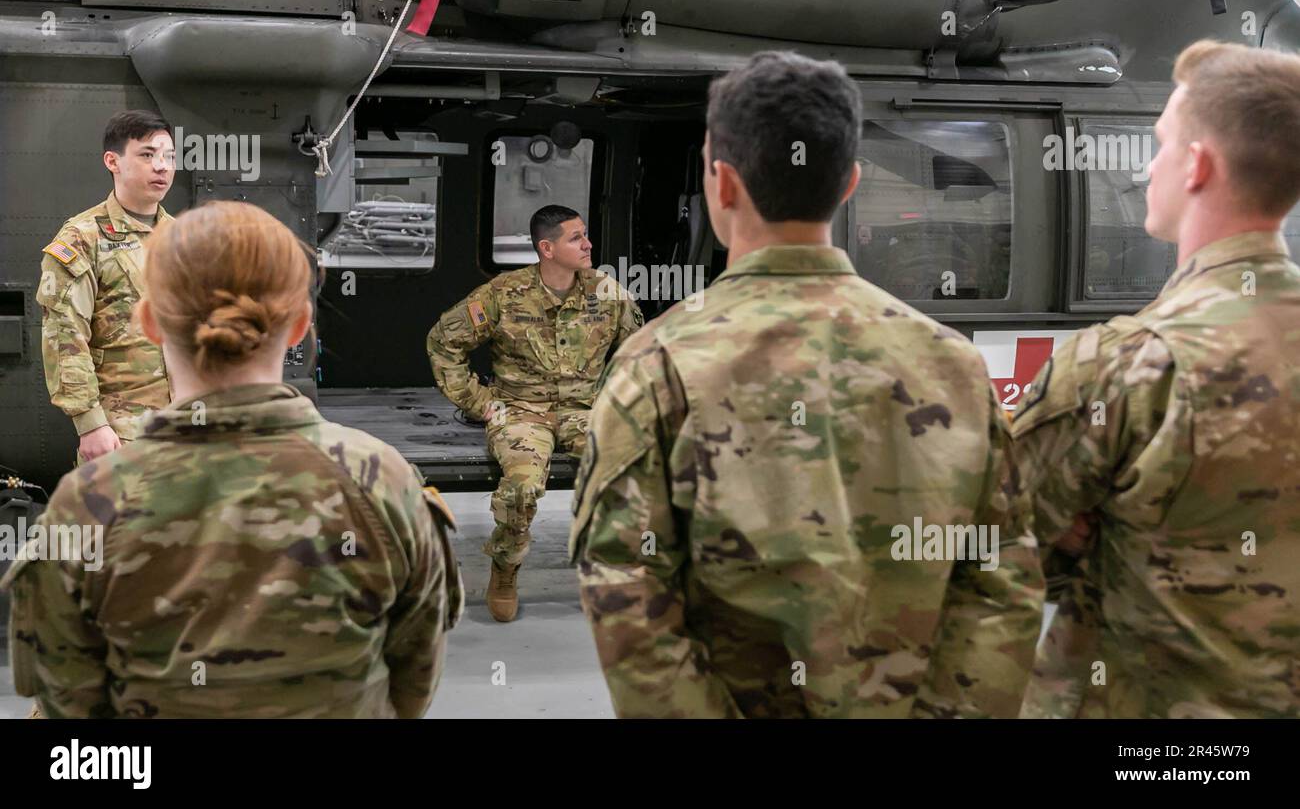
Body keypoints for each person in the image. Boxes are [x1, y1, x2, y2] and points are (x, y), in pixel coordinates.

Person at [570, 51, 1043, 718]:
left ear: (722, 185)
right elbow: (1002, 584)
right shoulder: (954, 365)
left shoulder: (657, 366)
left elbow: (627, 593)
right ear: (850, 182)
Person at [2, 201, 461, 718]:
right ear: (300, 325)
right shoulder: (384, 482)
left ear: (150, 322)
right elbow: (411, 686)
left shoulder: (89, 504)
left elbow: (69, 704)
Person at [1012, 40, 1300, 718]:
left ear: (1196, 165)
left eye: (1162, 143)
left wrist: (1090, 528)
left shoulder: (1126, 364)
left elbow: (1002, 535)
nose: (1148, 166)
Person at [427, 206, 642, 622]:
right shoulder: (504, 294)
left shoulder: (608, 292)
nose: (588, 244)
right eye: (576, 238)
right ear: (547, 248)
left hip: (586, 410)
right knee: (522, 487)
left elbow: (639, 352)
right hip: (523, 413)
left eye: (586, 235)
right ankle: (505, 569)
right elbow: (443, 343)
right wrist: (481, 403)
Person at [37, 110, 176, 463]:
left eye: (169, 156)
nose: (162, 166)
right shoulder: (83, 238)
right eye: (147, 155)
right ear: (112, 161)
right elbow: (63, 333)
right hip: (121, 434)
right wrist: (90, 424)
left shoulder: (184, 237)